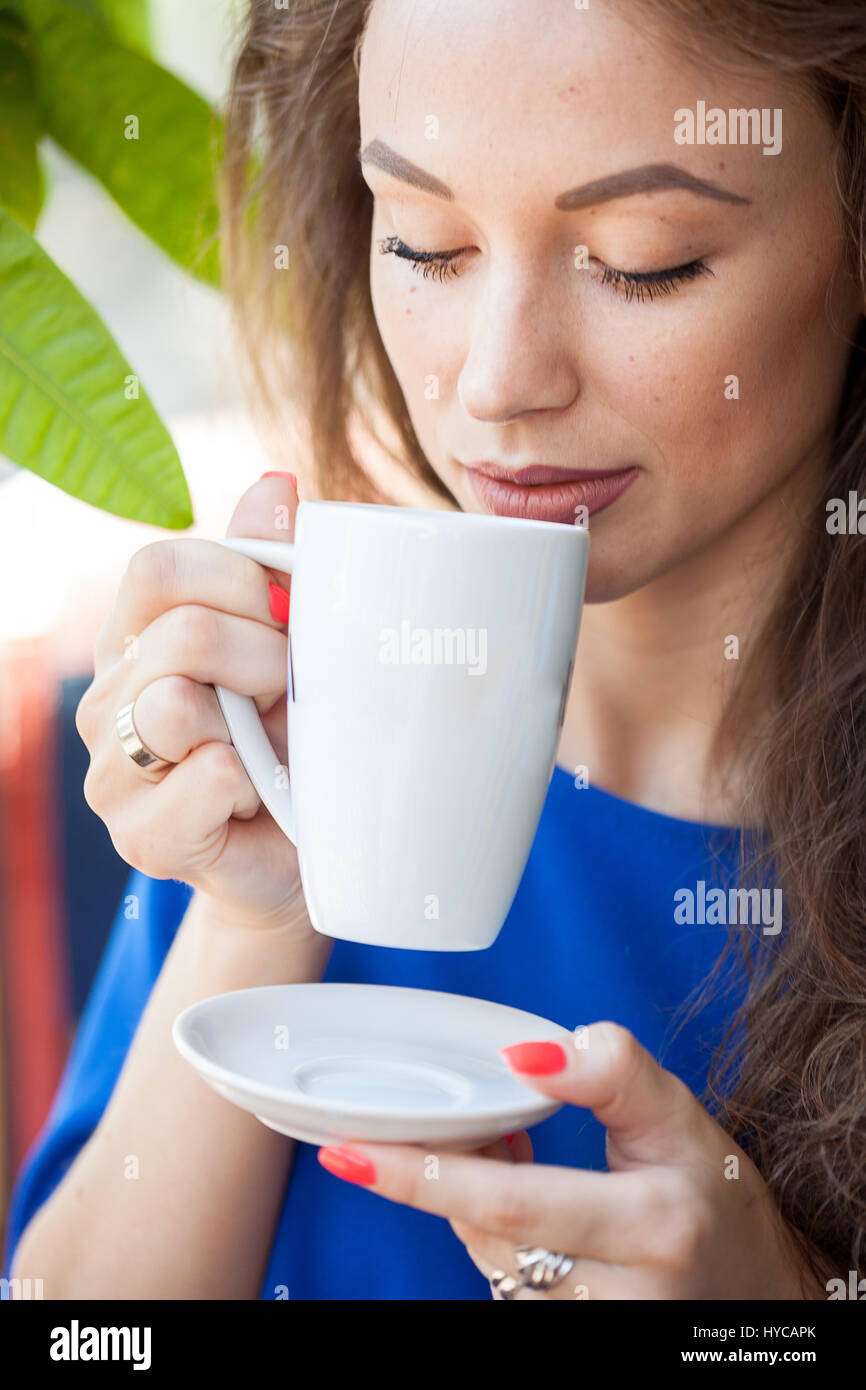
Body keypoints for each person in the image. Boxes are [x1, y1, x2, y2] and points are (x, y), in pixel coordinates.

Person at [5, 0, 866, 1299]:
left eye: (644, 259)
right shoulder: (302, 729)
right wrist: (259, 911)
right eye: (423, 243)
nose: (493, 381)